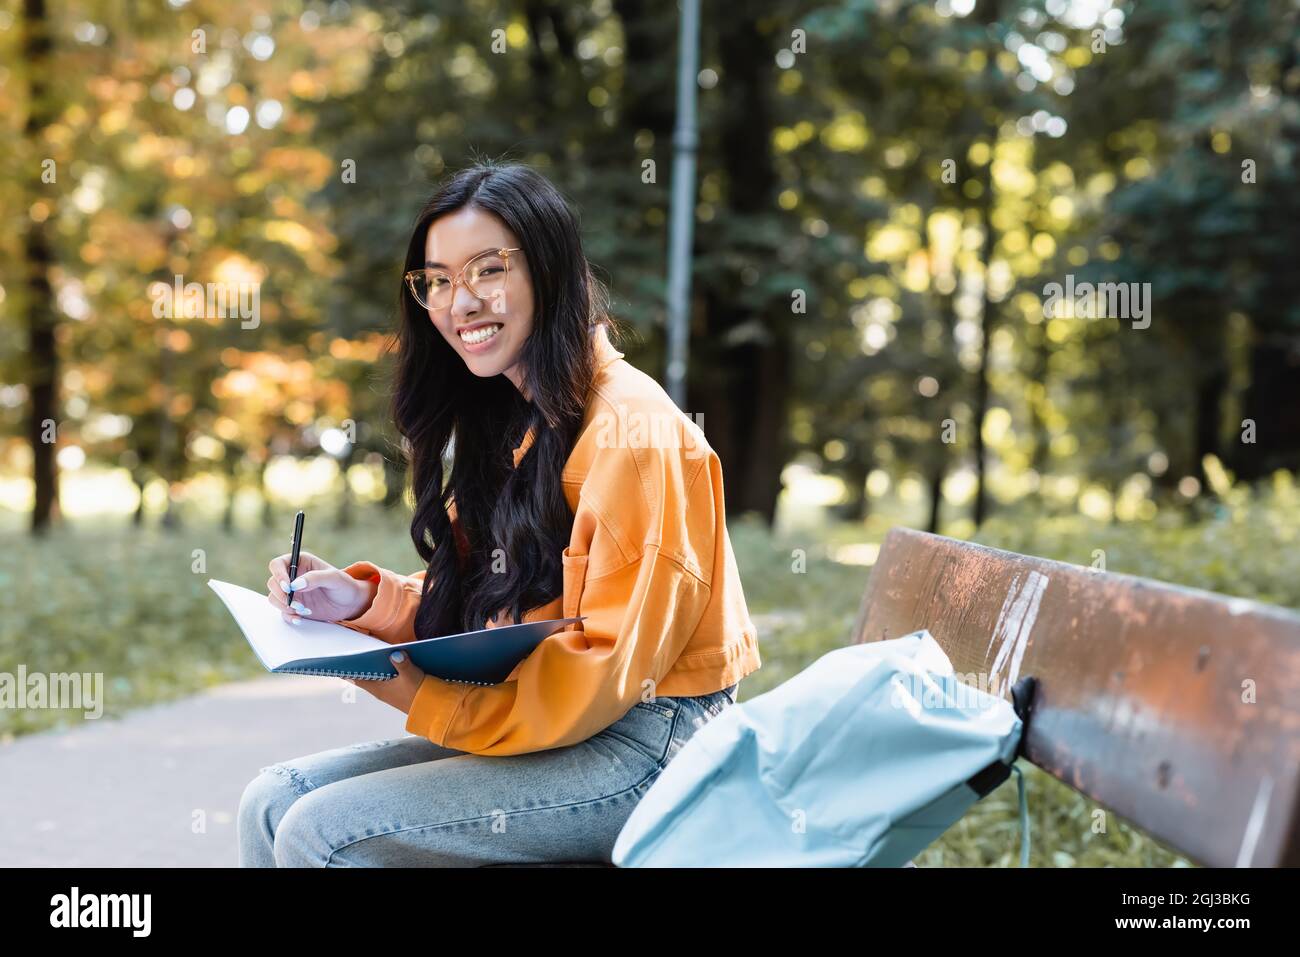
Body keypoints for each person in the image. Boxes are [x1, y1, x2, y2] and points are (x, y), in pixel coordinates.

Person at [237, 161, 761, 867]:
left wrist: (399, 681)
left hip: (649, 745)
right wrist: (363, 604)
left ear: (549, 271)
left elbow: (599, 675)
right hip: (580, 725)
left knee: (323, 830)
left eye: (488, 269)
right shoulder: (526, 419)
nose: (461, 302)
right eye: (440, 280)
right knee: (272, 797)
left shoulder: (632, 433)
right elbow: (509, 603)